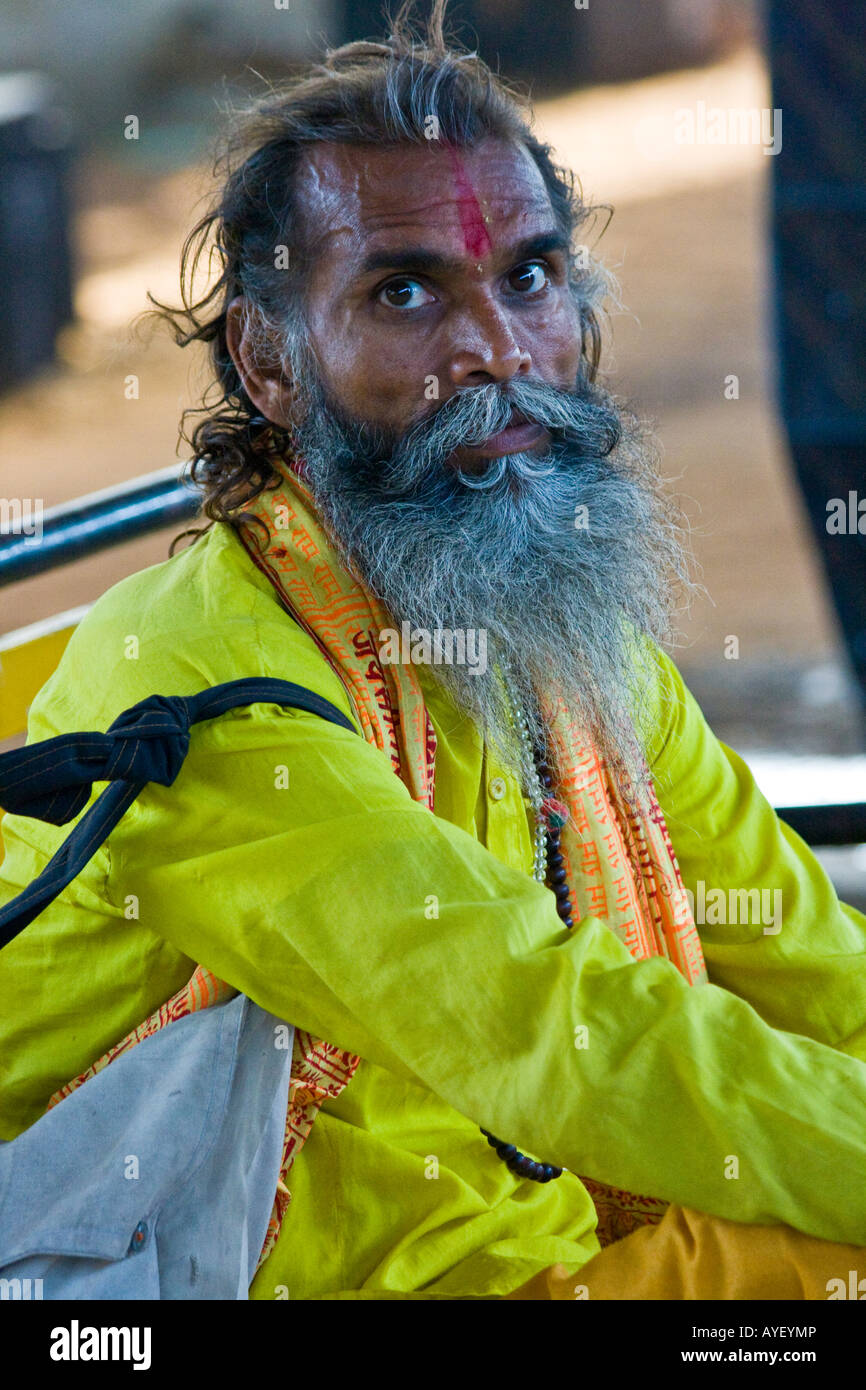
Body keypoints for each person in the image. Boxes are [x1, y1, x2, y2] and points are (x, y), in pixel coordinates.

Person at [2, 1, 866, 1301]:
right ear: (269, 360)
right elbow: (555, 1035)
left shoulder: (568, 644)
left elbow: (806, 963)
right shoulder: (203, 685)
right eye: (403, 292)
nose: (492, 351)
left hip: (549, 1237)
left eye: (527, 276)